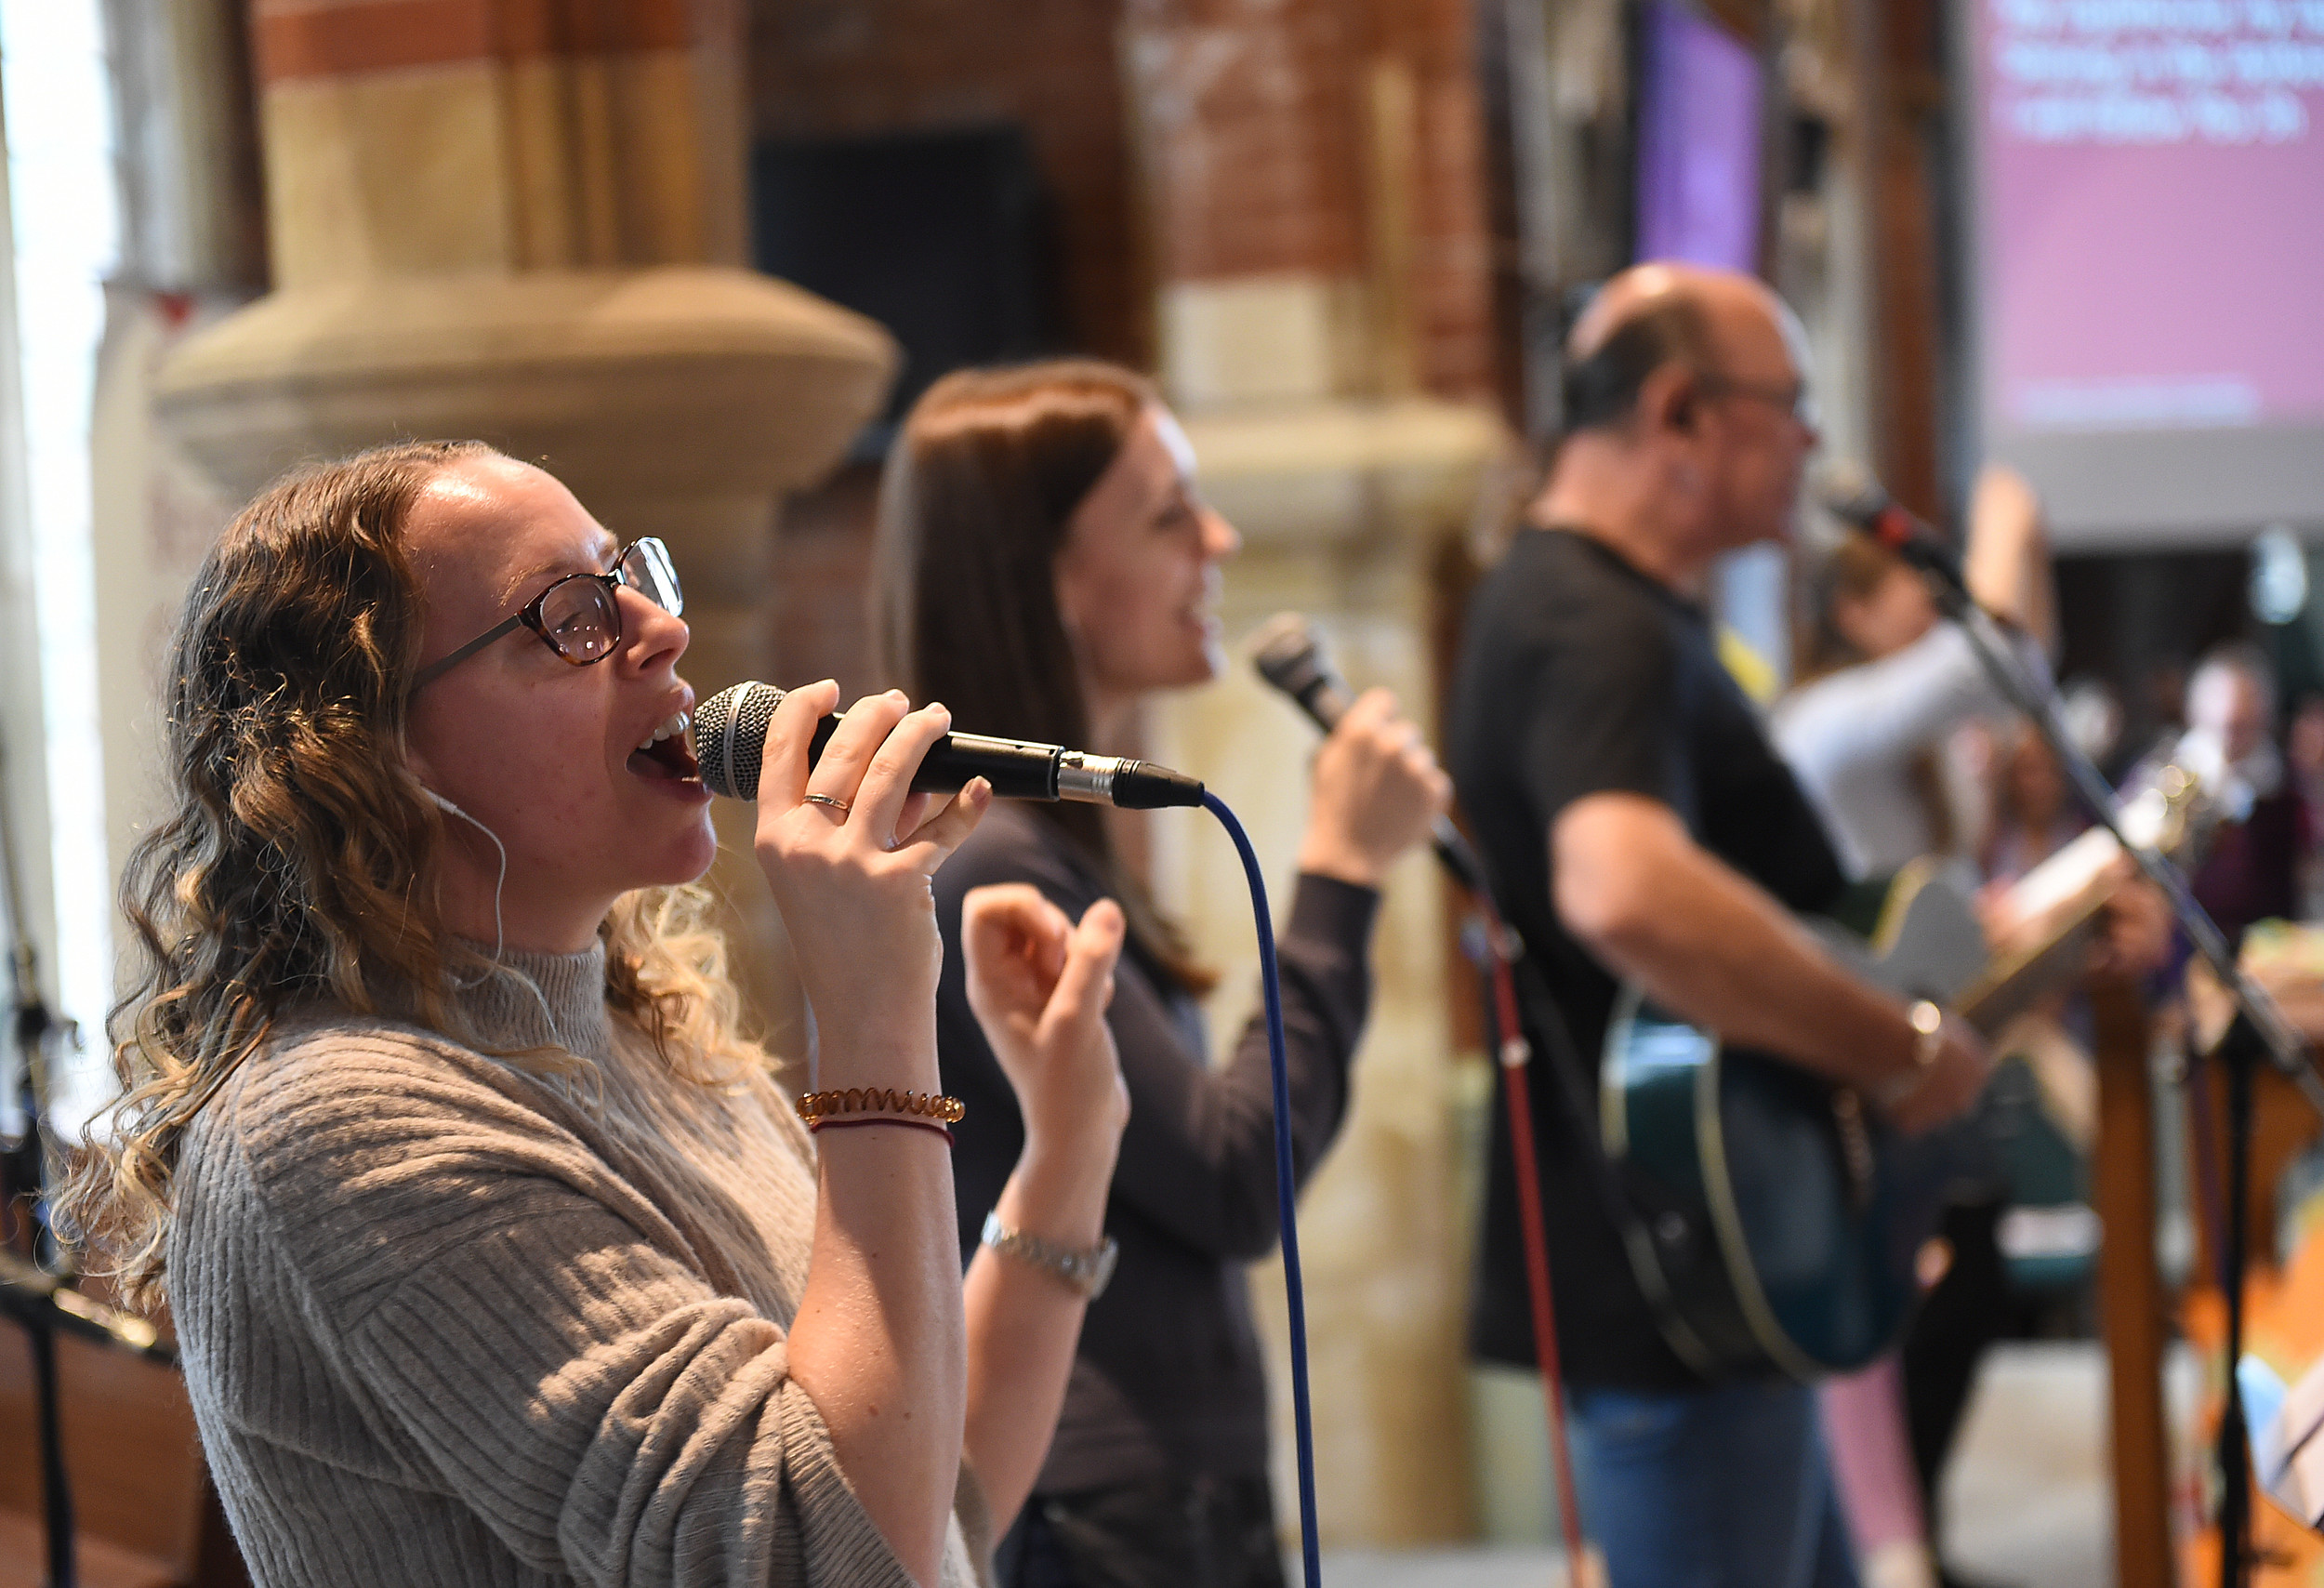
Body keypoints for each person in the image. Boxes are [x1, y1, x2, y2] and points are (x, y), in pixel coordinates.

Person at [59, 440, 1137, 1587]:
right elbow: (819, 1556)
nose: (661, 629)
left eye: (632, 576)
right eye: (570, 614)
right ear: (368, 749)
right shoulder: (332, 1131)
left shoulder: (660, 1047)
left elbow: (931, 1510)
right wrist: (876, 1029)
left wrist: (1069, 1148)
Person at [1446, 263, 1995, 1588]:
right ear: (1680, 411)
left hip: (1713, 1277)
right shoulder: (1593, 624)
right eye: (1787, 404)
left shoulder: (1612, 613)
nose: (1812, 439)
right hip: (1676, 1288)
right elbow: (1621, 887)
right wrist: (1896, 1050)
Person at [871, 360, 1450, 1587]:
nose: (1222, 540)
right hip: (1103, 1505)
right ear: (1049, 578)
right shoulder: (990, 866)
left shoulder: (1054, 847)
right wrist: (1340, 871)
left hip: (1149, 1493)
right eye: (1170, 515)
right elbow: (1237, 1174)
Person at [1774, 467, 2057, 1588]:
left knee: (1954, 1295)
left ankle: (1906, 1542)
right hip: (1848, 1081)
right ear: (1849, 612)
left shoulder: (1914, 752)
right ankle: (1891, 1552)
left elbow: (2006, 684)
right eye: (1908, 589)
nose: (1933, 610)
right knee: (1873, 1345)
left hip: (1918, 1075)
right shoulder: (1828, 721)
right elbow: (2000, 660)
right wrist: (2002, 523)